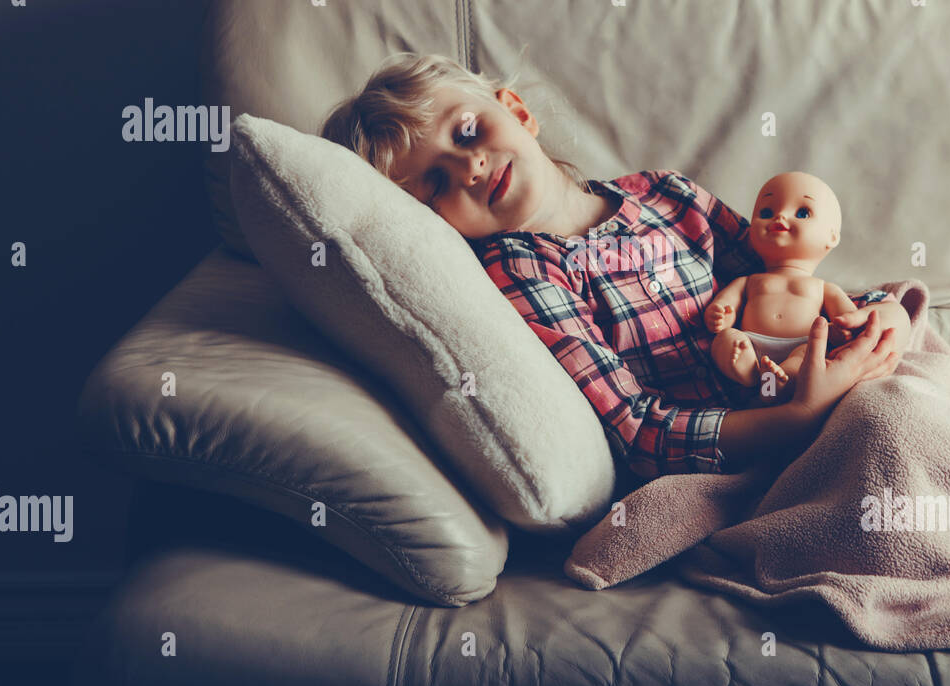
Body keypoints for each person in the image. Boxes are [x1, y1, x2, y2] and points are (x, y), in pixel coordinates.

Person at [320, 52, 911, 483]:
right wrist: (793, 421)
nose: (470, 169)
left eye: (467, 132)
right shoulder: (521, 272)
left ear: (518, 112)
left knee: (909, 394)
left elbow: (791, 272)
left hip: (817, 375)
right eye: (436, 186)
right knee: (890, 448)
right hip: (741, 450)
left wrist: (883, 319)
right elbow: (636, 429)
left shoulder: (667, 195)